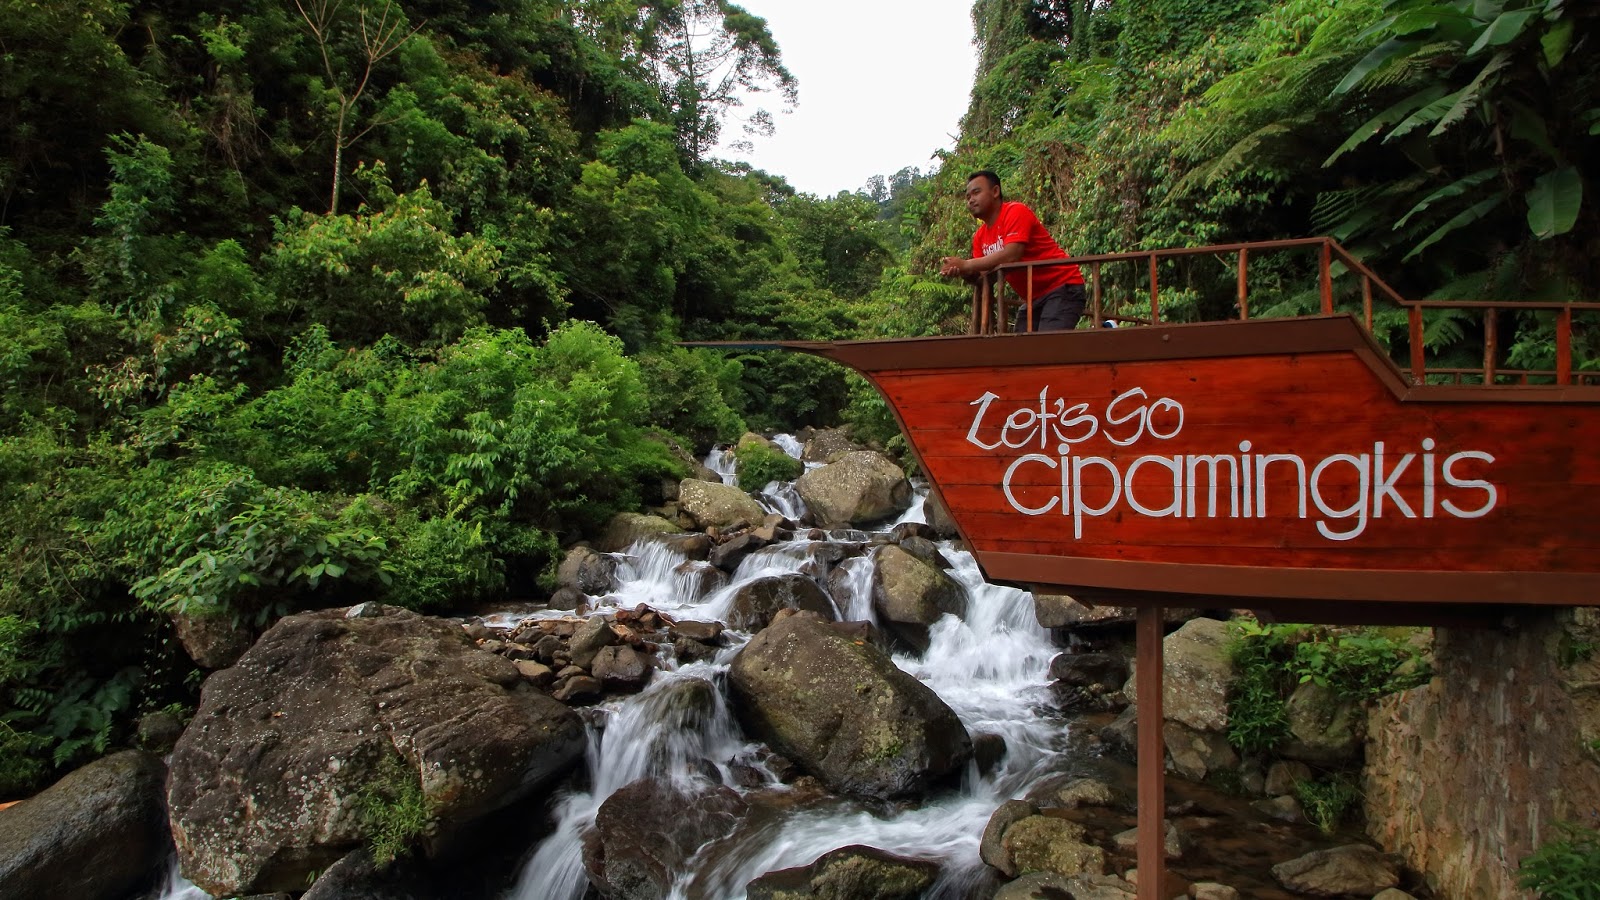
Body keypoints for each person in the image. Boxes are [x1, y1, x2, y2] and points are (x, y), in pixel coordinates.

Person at [938, 170, 1087, 332]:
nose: (971, 200)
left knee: (1047, 344)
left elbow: (1012, 254)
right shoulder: (980, 237)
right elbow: (983, 278)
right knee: (1018, 345)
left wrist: (966, 264)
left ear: (995, 191)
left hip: (1063, 286)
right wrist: (963, 271)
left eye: (976, 193)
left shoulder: (1015, 211)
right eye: (968, 197)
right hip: (1033, 299)